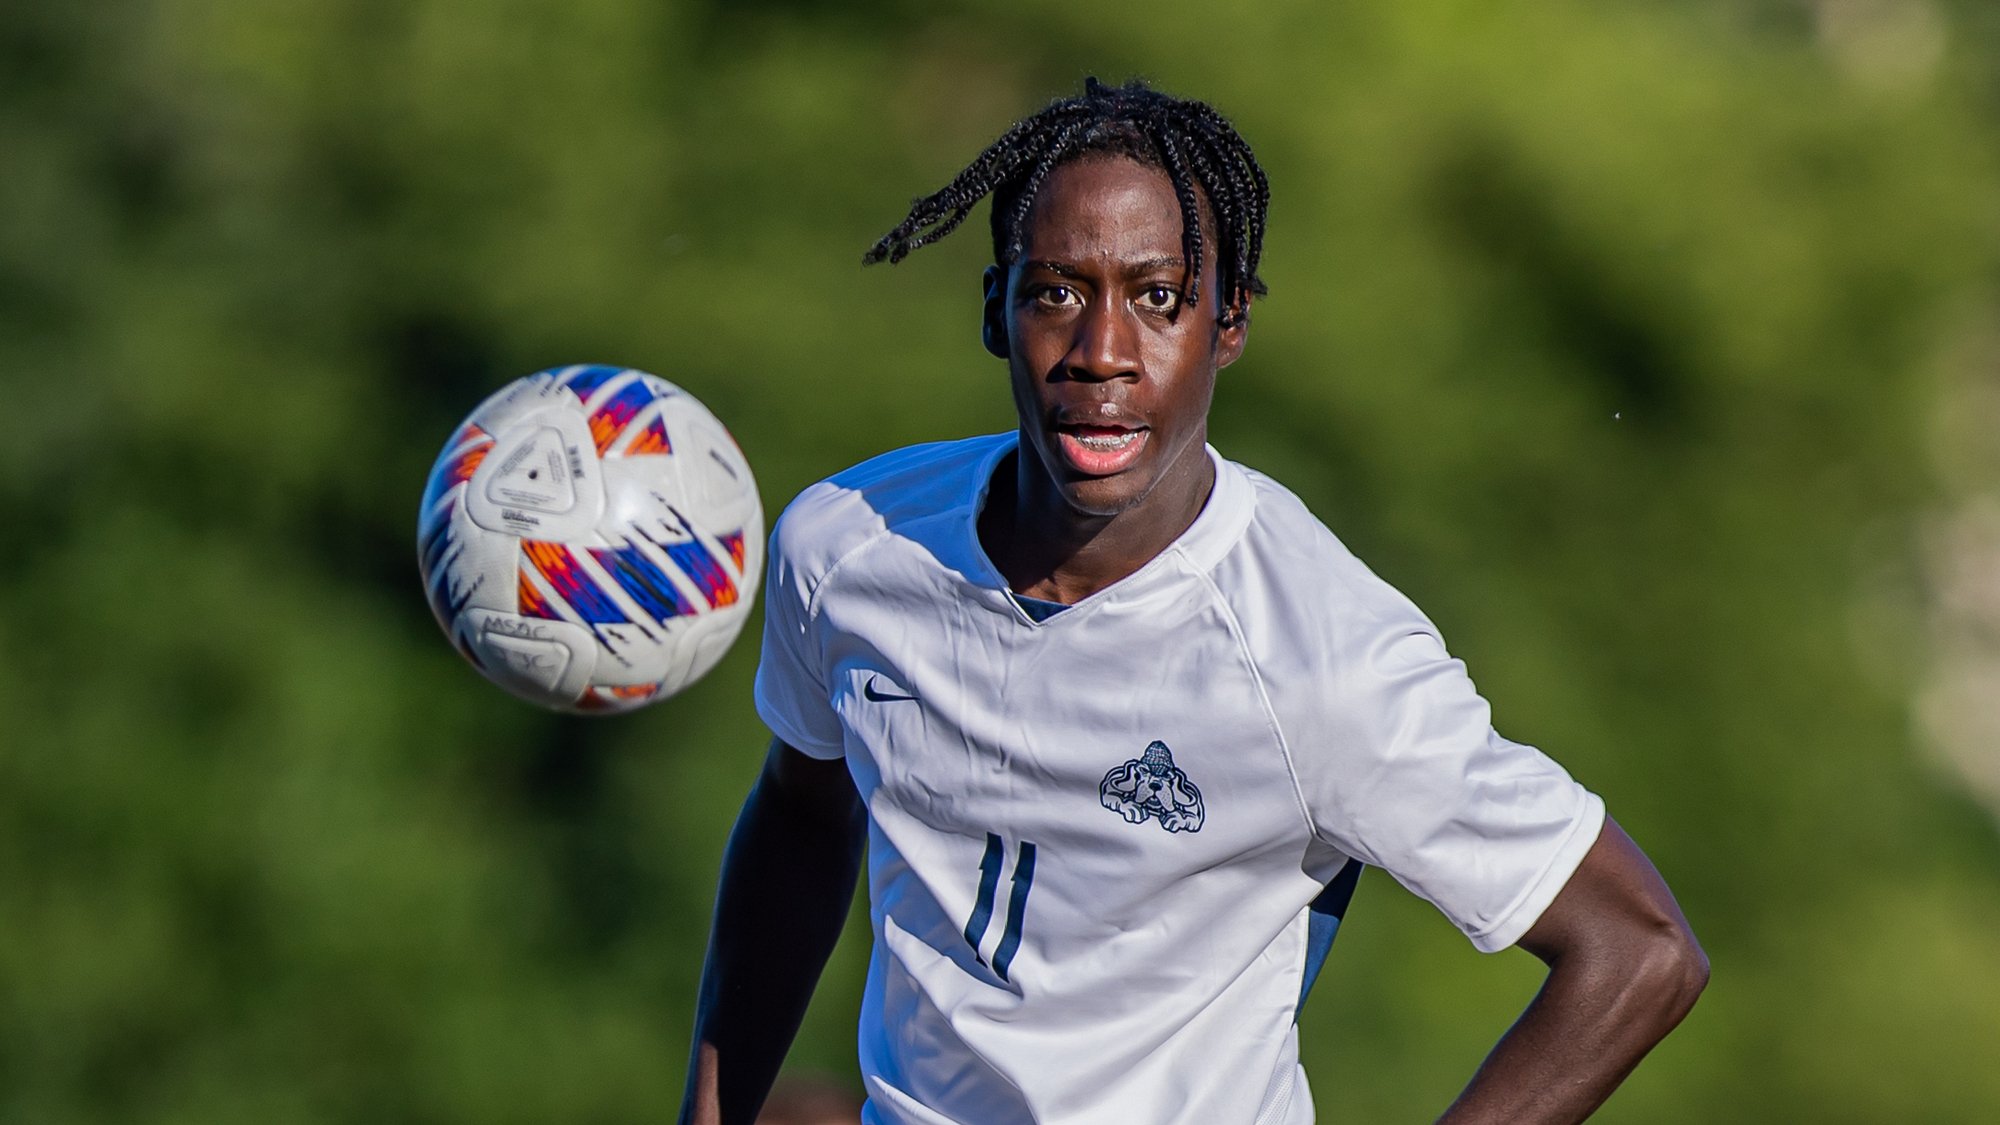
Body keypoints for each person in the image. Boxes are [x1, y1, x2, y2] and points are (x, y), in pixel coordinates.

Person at [679, 77, 1707, 1125]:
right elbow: (802, 817)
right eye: (1055, 293)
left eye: (1158, 298)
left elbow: (1637, 952)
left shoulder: (1321, 658)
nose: (1102, 354)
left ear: (1228, 322)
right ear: (993, 311)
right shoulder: (847, 549)